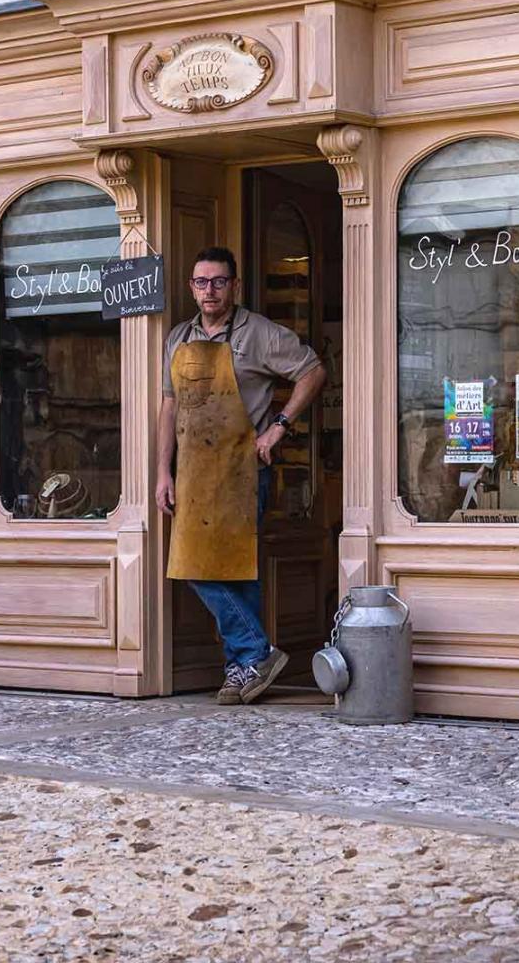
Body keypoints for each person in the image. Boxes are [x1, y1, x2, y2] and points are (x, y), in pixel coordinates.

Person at [156, 246, 327, 706]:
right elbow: (169, 407)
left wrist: (279, 427)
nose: (209, 290)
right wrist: (162, 472)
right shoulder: (177, 338)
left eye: (218, 282)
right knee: (193, 566)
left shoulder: (261, 334)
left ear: (234, 285)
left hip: (242, 472)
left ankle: (247, 659)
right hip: (192, 474)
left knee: (237, 570)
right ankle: (252, 655)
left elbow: (312, 372)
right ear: (191, 287)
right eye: (201, 282)